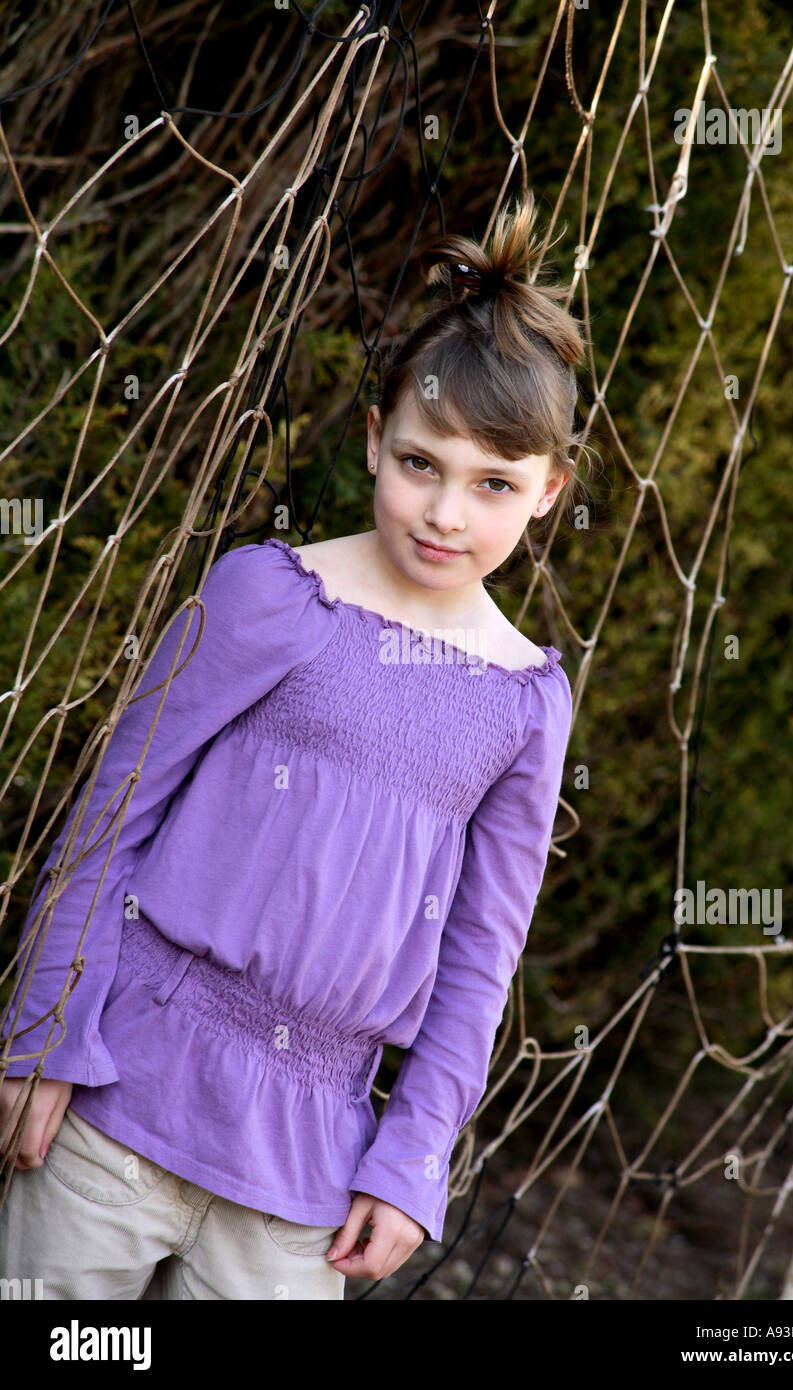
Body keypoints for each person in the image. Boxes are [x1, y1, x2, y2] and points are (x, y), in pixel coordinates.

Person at [0, 190, 586, 1300]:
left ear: (548, 491)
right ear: (373, 440)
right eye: (421, 463)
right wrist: (43, 1034)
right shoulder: (271, 597)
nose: (446, 514)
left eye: (493, 485)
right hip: (116, 1105)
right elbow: (112, 813)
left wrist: (411, 1159)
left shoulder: (525, 703)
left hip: (299, 1192)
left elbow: (478, 960)